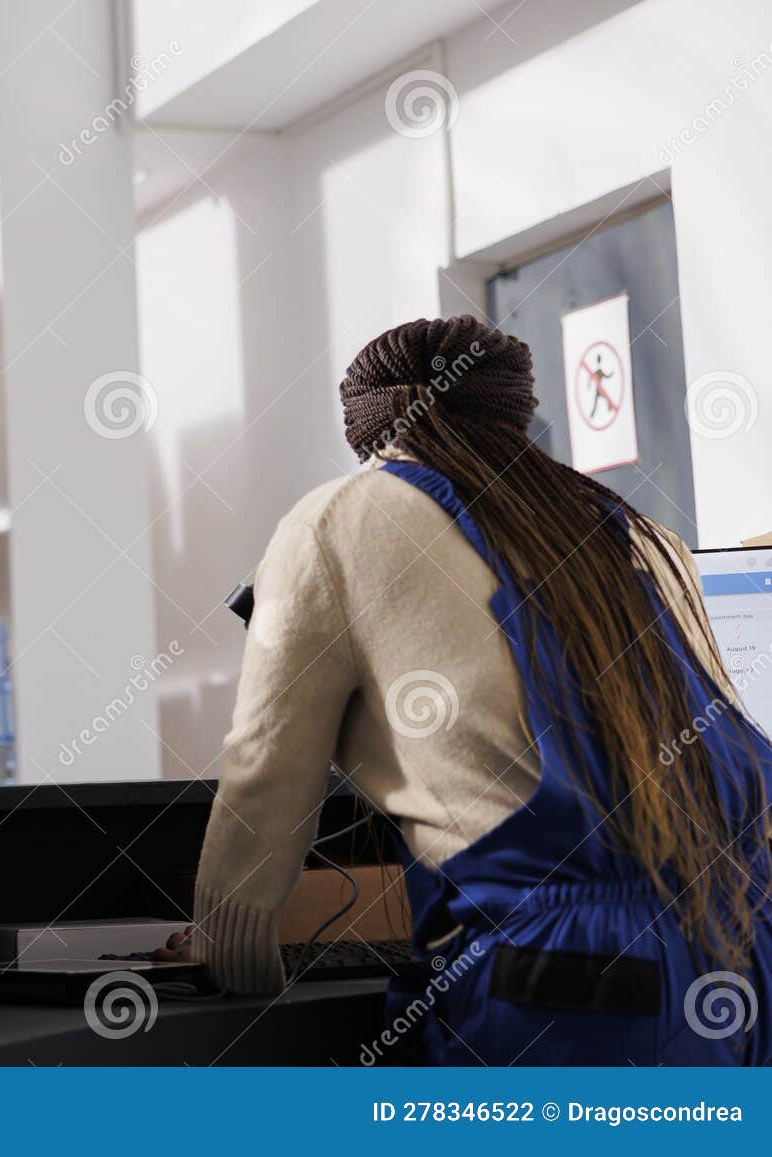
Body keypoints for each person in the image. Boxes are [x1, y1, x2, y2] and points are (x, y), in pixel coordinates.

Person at [177, 315, 772, 1065]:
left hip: (573, 986)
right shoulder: (640, 531)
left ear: (369, 435)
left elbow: (266, 769)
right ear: (517, 415)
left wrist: (228, 955)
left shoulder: (338, 517)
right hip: (739, 958)